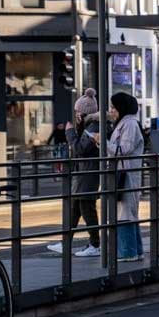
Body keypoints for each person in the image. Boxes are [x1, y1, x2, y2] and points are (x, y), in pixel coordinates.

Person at [51, 89, 101, 258]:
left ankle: (95, 244)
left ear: (85, 112)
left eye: (78, 111)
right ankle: (67, 242)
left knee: (86, 207)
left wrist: (70, 133)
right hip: (84, 172)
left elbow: (80, 149)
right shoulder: (88, 126)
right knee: (76, 208)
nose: (76, 114)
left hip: (88, 173)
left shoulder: (93, 127)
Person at [99, 91, 145, 260]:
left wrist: (102, 142)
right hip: (124, 173)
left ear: (121, 107)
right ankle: (136, 250)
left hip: (127, 174)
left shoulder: (130, 125)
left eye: (113, 107)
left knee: (125, 213)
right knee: (128, 212)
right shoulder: (125, 123)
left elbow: (123, 150)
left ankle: (128, 252)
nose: (111, 110)